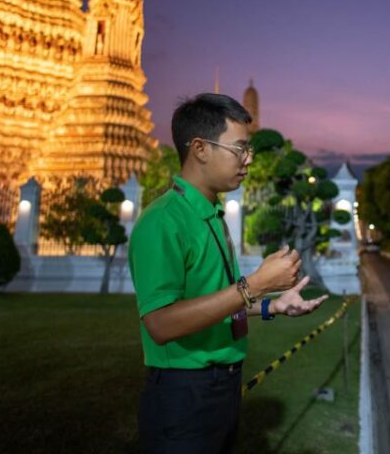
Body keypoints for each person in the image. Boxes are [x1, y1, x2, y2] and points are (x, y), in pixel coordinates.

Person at [128, 93, 329, 454]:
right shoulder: (163, 221)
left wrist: (271, 306)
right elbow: (160, 323)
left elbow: (220, 300)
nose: (248, 159)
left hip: (225, 386)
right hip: (183, 393)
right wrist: (255, 284)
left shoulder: (214, 216)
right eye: (240, 148)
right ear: (201, 149)